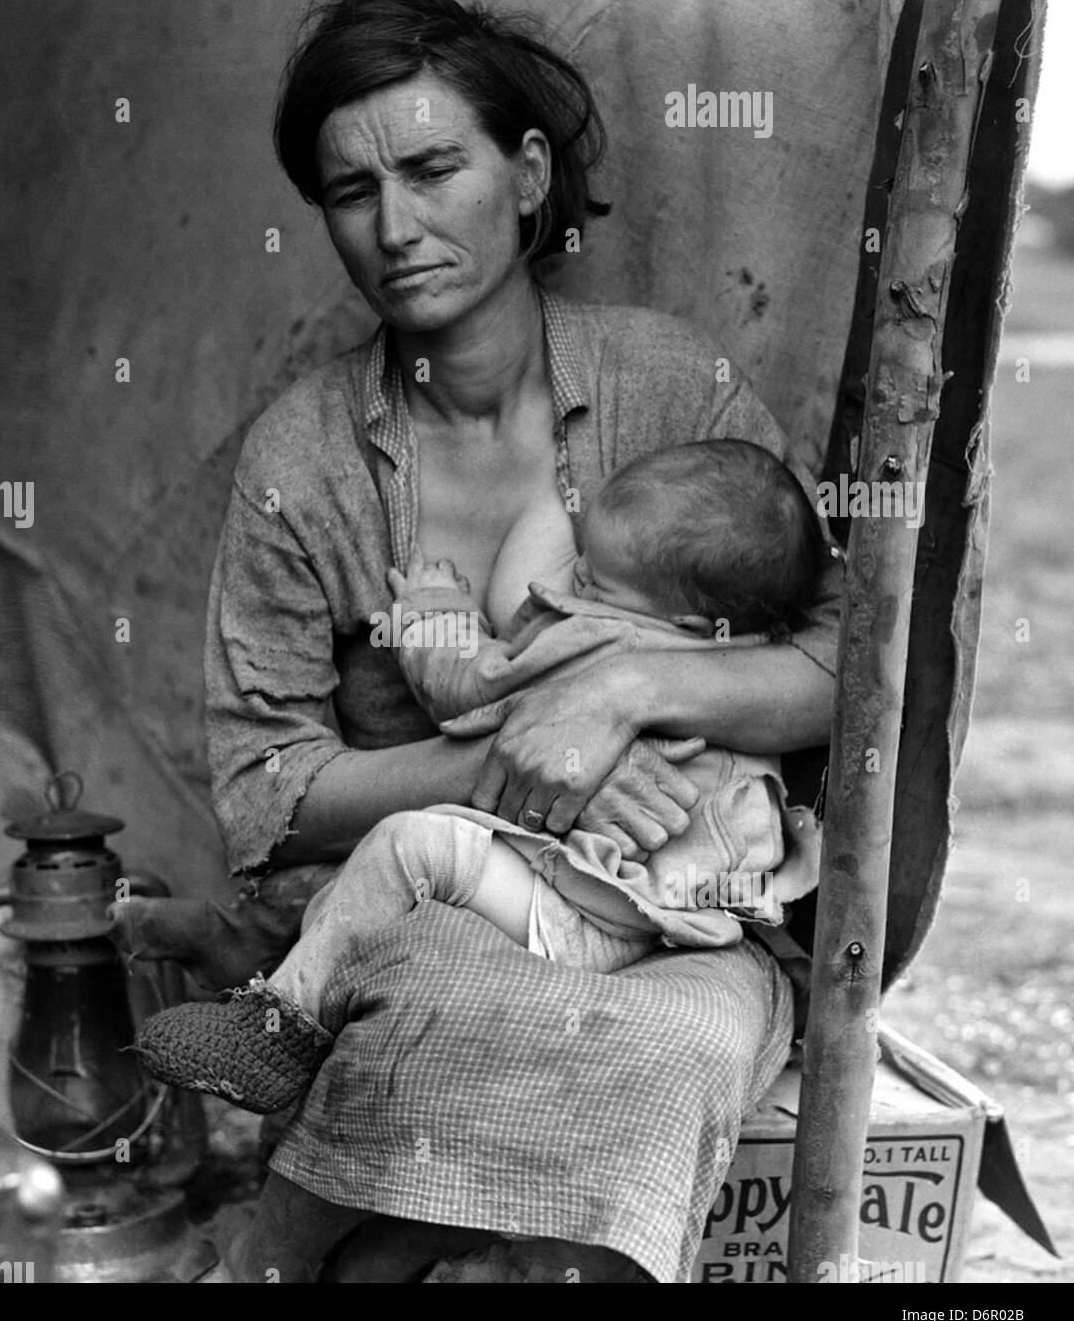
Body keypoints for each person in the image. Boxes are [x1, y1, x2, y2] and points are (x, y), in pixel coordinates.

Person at [111, 0, 842, 1283]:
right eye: (351, 191)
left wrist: (619, 689)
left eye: (434, 167)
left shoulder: (669, 388)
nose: (395, 227)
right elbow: (264, 790)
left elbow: (841, 669)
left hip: (690, 919)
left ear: (525, 173)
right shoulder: (306, 453)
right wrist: (518, 757)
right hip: (454, 899)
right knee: (434, 1009)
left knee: (669, 1058)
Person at [134, 438, 828, 1115]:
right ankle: (266, 950)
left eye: (592, 578)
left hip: (594, 917)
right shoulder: (744, 654)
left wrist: (435, 614)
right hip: (677, 908)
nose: (572, 578)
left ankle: (275, 1032)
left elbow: (471, 684)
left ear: (681, 618)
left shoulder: (604, 639)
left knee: (409, 846)